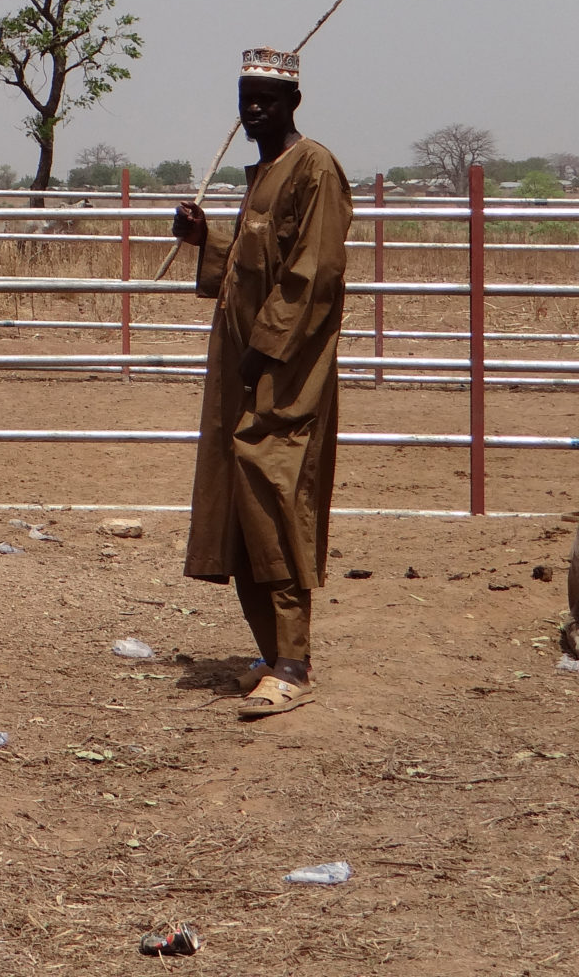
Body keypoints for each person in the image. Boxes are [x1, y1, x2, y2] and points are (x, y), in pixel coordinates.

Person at [170, 47, 350, 720]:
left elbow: (312, 276)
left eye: (267, 99)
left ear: (293, 103)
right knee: (238, 496)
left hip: (285, 374)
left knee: (275, 495)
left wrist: (266, 349)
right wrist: (204, 239)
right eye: (246, 96)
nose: (254, 109)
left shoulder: (315, 170)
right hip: (241, 369)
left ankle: (295, 662)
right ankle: (270, 653)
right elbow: (250, 265)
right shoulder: (262, 175)